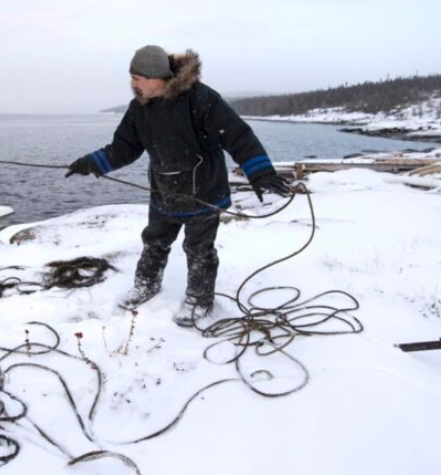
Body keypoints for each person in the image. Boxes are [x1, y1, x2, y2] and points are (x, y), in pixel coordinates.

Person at [66, 45, 292, 327]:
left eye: (137, 78)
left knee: (199, 249)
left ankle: (199, 299)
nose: (132, 84)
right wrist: (92, 163)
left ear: (156, 76)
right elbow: (124, 148)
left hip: (204, 192)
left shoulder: (200, 99)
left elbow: (236, 134)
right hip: (164, 192)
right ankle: (146, 284)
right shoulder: (139, 108)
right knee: (154, 242)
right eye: (131, 77)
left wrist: (259, 171)